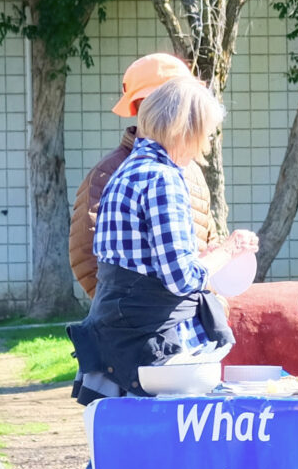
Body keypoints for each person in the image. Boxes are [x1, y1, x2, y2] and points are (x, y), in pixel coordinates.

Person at [67, 74, 258, 469]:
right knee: (164, 457)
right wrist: (229, 249)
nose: (209, 146)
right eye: (207, 134)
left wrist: (208, 252)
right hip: (152, 342)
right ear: (186, 129)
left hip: (119, 331)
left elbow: (145, 260)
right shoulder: (162, 179)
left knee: (114, 453)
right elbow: (180, 276)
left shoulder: (128, 172)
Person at [68, 53, 214, 303]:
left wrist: (209, 301)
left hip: (185, 317)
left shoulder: (191, 170)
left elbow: (208, 239)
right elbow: (86, 257)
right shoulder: (108, 172)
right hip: (146, 327)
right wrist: (130, 312)